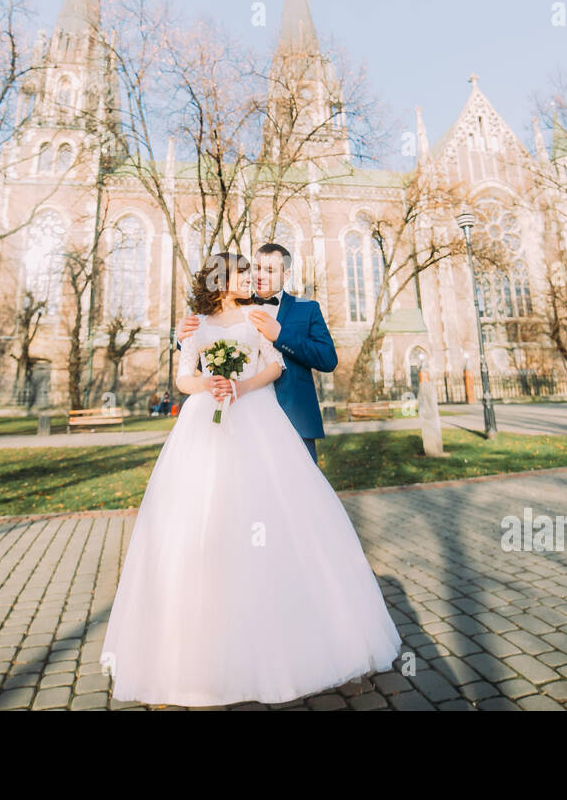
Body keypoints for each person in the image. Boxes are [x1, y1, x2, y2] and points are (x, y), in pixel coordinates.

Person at [100, 252, 402, 707]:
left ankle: (305, 636)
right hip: (205, 423)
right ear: (221, 278)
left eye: (255, 272)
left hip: (261, 418)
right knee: (206, 518)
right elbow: (184, 374)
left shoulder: (259, 316)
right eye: (243, 273)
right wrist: (208, 383)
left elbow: (278, 364)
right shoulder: (195, 324)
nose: (251, 279)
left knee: (277, 516)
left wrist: (239, 385)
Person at [176, 242, 336, 462]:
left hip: (295, 418)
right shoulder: (235, 306)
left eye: (269, 270)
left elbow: (327, 359)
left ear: (286, 274)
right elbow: (206, 354)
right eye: (257, 268)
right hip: (240, 417)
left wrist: (281, 336)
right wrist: (180, 338)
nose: (259, 275)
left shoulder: (307, 308)